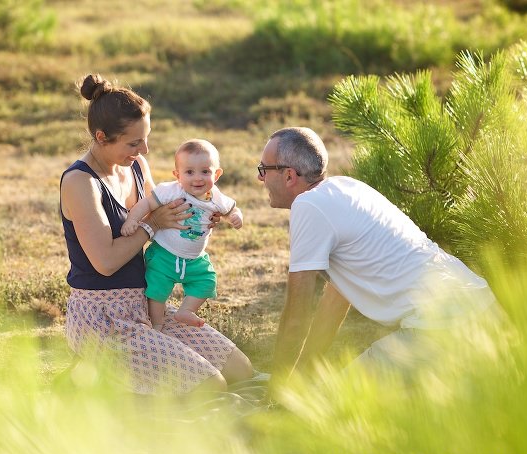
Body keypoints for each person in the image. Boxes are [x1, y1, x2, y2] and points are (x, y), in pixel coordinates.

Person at [59, 74, 253, 395]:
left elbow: (168, 211)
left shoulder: (136, 165)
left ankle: (120, 378)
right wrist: (152, 225)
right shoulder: (80, 182)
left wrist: (203, 213)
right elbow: (105, 262)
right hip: (102, 317)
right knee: (211, 387)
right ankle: (94, 383)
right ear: (101, 136)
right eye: (134, 143)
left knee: (239, 370)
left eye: (146, 138)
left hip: (146, 306)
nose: (144, 149)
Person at [258, 127, 499, 381]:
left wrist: (277, 392)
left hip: (438, 328)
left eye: (264, 169)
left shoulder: (308, 205)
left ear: (288, 176)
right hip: (483, 306)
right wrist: (299, 378)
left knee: (336, 409)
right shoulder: (346, 187)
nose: (260, 179)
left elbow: (296, 317)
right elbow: (335, 302)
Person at [121, 138, 243, 331]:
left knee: (207, 282)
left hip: (195, 259)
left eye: (205, 171)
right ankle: (157, 323)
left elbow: (231, 209)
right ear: (177, 175)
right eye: (189, 172)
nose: (197, 178)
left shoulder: (216, 197)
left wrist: (235, 217)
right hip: (164, 254)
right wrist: (132, 220)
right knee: (157, 290)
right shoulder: (172, 191)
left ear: (217, 174)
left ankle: (186, 310)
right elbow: (146, 204)